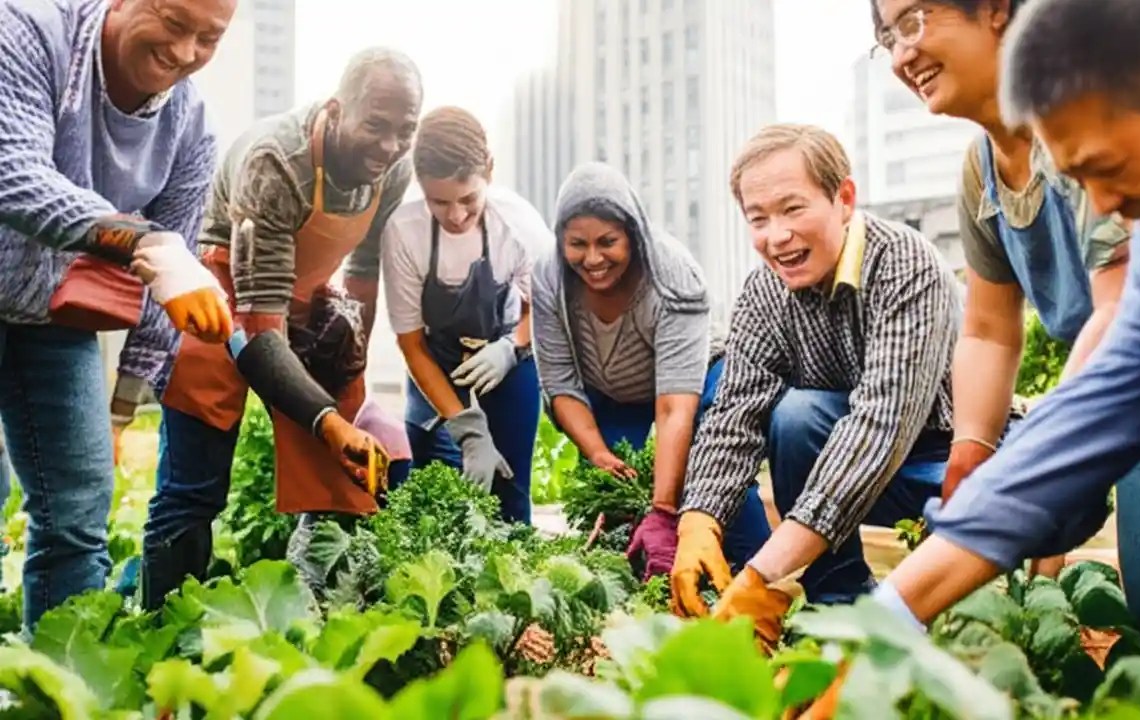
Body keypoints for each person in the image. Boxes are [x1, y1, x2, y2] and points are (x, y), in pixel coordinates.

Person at [859, 0, 1140, 709]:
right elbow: (1100, 404)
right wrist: (891, 612)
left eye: (1108, 168)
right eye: (1082, 181)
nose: (1107, 207)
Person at [142, 48, 422, 610]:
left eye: (405, 130)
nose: (390, 145)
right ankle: (160, 626)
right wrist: (326, 420)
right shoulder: (277, 163)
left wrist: (351, 357)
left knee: (341, 484)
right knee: (193, 489)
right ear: (337, 111)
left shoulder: (393, 168)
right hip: (222, 295)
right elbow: (259, 327)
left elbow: (364, 269)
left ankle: (321, 618)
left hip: (309, 303)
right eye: (375, 126)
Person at [671, 124, 962, 647]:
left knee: (984, 553)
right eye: (758, 219)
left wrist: (763, 574)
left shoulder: (905, 266)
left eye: (793, 209)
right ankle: (838, 602)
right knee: (795, 416)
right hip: (844, 469)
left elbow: (880, 426)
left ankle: (945, 616)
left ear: (843, 199)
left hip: (941, 463)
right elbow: (735, 415)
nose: (776, 236)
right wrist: (699, 519)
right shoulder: (764, 294)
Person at [0, 0, 236, 627]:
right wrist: (145, 241)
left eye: (208, 38)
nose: (185, 52)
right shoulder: (27, 31)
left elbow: (167, 281)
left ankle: (62, 672)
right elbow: (13, 174)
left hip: (48, 316)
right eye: (174, 22)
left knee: (78, 514)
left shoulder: (190, 127)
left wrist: (120, 412)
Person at [533, 162, 773, 580]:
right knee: (613, 493)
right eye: (577, 244)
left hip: (693, 380)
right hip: (611, 390)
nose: (593, 258)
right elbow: (560, 382)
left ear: (633, 233)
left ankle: (754, 573)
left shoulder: (673, 275)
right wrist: (597, 452)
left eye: (608, 241)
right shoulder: (549, 278)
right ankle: (641, 582)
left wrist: (663, 510)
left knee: (710, 466)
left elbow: (674, 407)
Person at [384, 107, 549, 525]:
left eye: (468, 200)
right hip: (434, 360)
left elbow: (544, 308)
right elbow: (411, 343)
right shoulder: (404, 232)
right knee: (437, 488)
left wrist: (511, 347)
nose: (455, 216)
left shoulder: (519, 226)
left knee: (509, 491)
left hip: (508, 356)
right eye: (439, 202)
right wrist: (468, 428)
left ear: (489, 170)